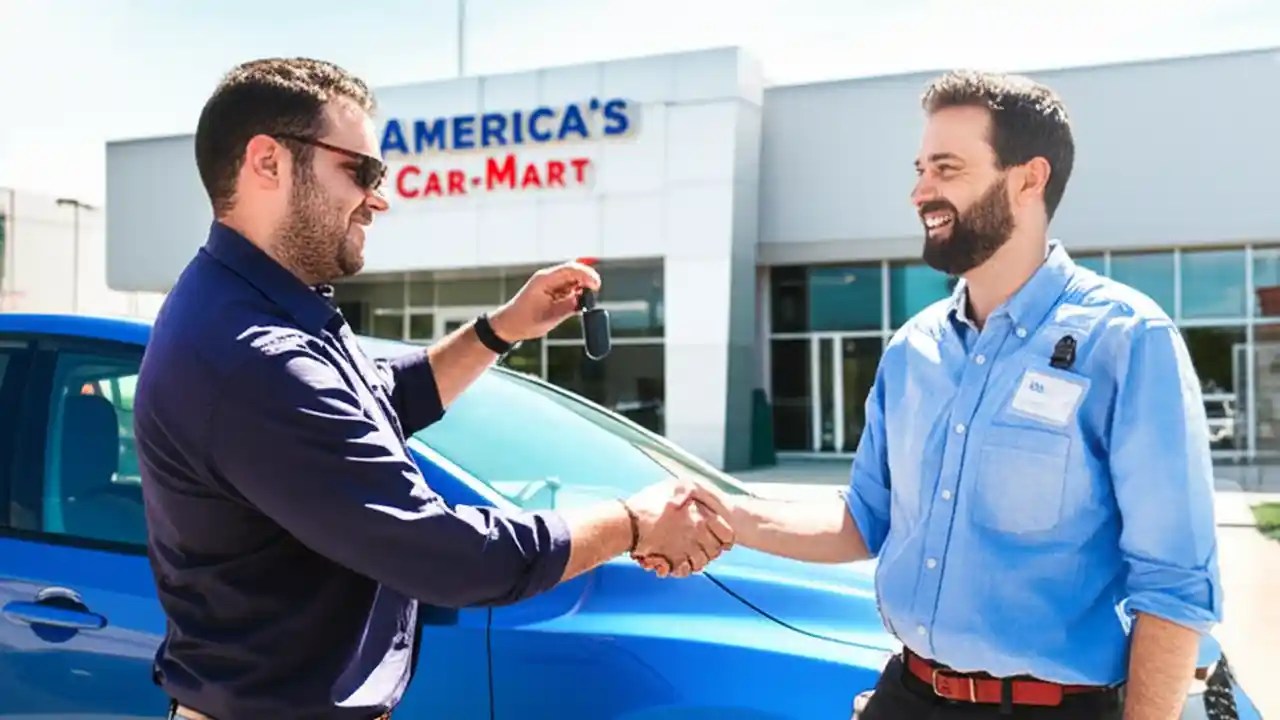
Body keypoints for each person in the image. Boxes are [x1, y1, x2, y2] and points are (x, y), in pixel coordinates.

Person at [132, 57, 732, 720]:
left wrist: (501, 329)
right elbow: (449, 557)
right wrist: (632, 522)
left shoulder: (249, 311)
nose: (380, 196)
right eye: (361, 170)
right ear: (268, 163)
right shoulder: (255, 355)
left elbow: (378, 402)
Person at [642, 70, 1223, 719]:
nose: (921, 191)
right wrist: (721, 513)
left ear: (1029, 178)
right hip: (908, 696)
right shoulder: (913, 350)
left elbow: (1174, 586)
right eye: (921, 169)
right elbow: (864, 519)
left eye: (946, 168)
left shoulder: (1125, 341)